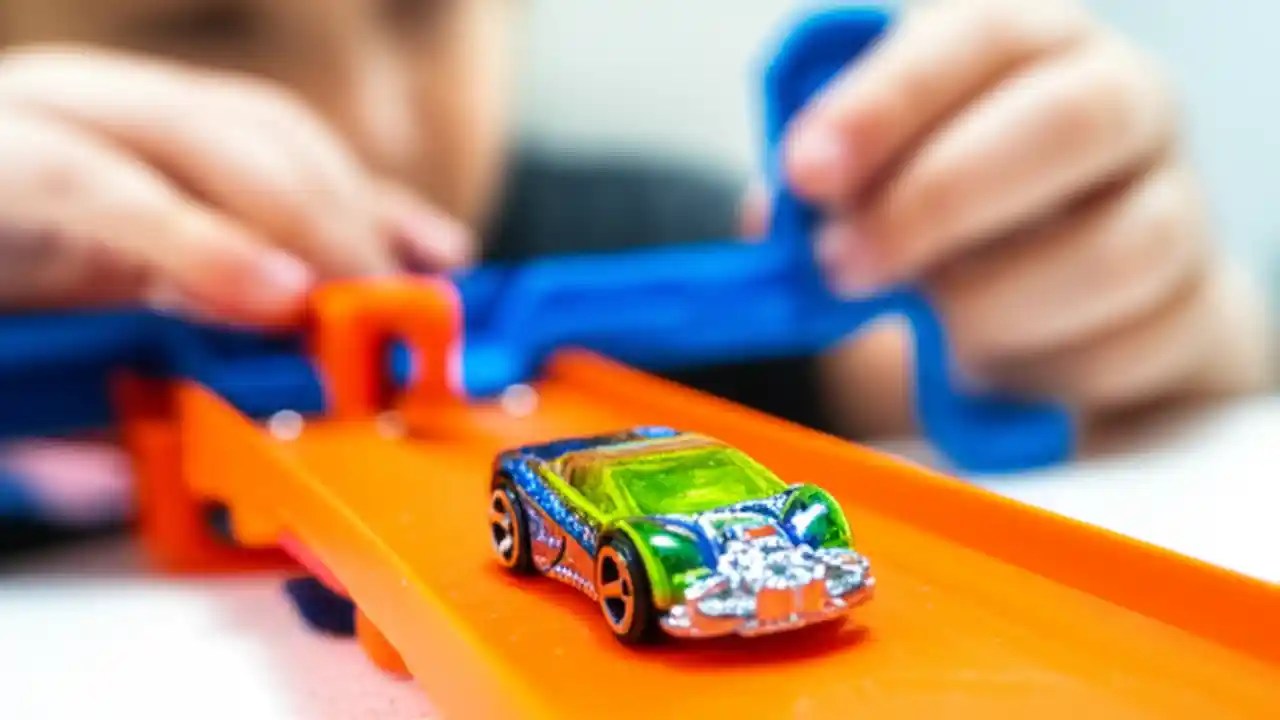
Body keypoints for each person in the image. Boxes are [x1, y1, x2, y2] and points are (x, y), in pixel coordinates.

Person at [0, 0, 1273, 533]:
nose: (371, 125)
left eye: (419, 12)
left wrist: (1163, 318)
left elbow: (993, 343)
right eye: (196, 16)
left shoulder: (627, 243)